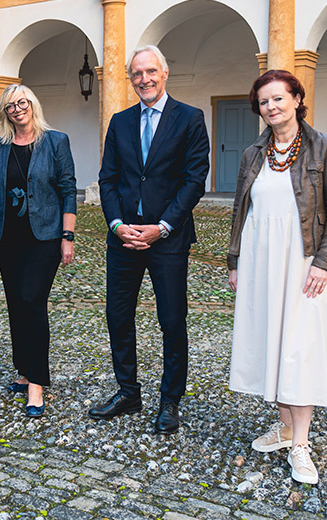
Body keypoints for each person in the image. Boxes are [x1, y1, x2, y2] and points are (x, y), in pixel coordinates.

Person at [227, 69, 327, 485]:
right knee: (273, 341)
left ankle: (300, 443)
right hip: (261, 261)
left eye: (279, 98)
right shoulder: (252, 154)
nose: (272, 107)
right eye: (264, 102)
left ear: (297, 99)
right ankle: (283, 428)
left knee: (300, 347)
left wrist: (325, 262)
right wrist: (235, 261)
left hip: (304, 263)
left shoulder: (325, 147)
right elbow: (240, 211)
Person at [92, 45, 210, 434]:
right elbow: (108, 179)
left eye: (150, 71)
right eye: (136, 73)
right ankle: (128, 392)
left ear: (165, 72)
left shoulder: (190, 119)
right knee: (117, 317)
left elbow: (195, 181)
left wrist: (163, 227)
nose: (144, 79)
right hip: (123, 236)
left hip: (168, 238)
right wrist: (115, 224)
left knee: (172, 320)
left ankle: (169, 400)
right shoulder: (120, 121)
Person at [0, 84, 77, 418]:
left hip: (45, 237)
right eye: (10, 106)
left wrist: (68, 236)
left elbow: (67, 189)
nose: (17, 109)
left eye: (22, 102)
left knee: (32, 301)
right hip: (8, 238)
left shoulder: (55, 141)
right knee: (15, 304)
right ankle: (23, 370)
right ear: (5, 113)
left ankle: (36, 381)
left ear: (33, 104)